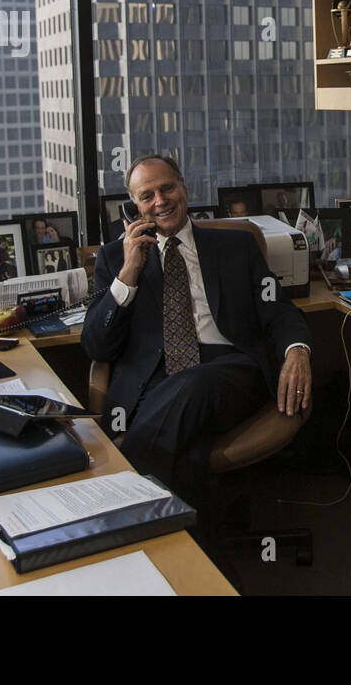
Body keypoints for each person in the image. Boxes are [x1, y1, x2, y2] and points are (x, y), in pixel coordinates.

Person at [81, 154, 312, 511]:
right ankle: (190, 551)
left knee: (195, 382)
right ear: (135, 207)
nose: (160, 201)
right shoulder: (115, 259)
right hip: (153, 382)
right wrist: (128, 273)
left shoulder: (236, 247)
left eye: (167, 188)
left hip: (228, 371)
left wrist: (297, 350)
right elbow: (97, 345)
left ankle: (116, 490)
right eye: (147, 196)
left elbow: (278, 310)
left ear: (184, 188)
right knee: (186, 447)